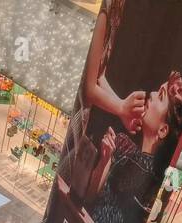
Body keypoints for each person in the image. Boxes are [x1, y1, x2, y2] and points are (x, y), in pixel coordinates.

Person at [87, 70, 182, 223]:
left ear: (162, 130)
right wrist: (104, 160)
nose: (151, 94)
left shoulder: (142, 171)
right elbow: (92, 194)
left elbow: (93, 198)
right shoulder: (128, 150)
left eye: (160, 96)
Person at [56, 0, 144, 201]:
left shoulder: (117, 13)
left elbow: (99, 75)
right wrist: (121, 107)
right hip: (80, 113)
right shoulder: (107, 11)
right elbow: (89, 88)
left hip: (85, 116)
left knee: (69, 183)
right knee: (64, 179)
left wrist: (121, 109)